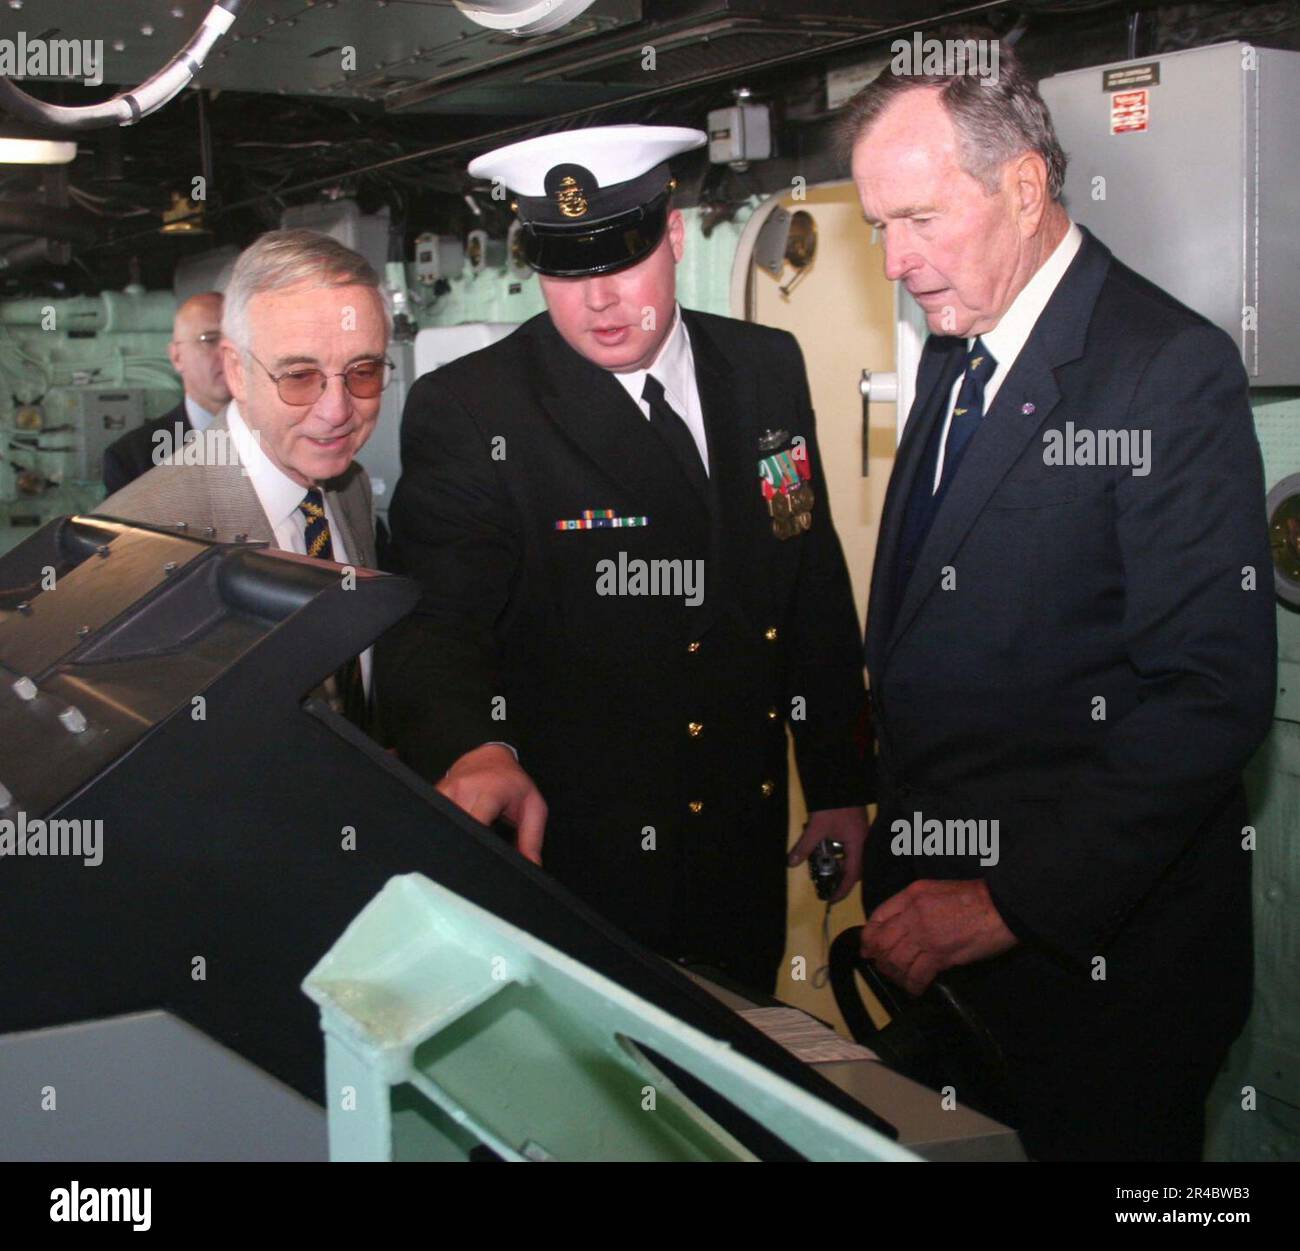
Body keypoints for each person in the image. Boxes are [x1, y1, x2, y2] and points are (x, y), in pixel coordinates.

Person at [843, 43, 1275, 1160]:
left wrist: (1004, 904)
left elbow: (1208, 695)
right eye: (876, 227)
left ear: (1024, 188)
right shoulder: (956, 352)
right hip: (948, 954)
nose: (895, 261)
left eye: (920, 220)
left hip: (1093, 974)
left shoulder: (1161, 370)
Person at [379, 125, 873, 994]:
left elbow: (810, 578)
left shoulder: (764, 366)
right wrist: (473, 744)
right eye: (565, 267)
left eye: (621, 258)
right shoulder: (473, 408)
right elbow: (436, 621)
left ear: (674, 237)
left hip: (738, 843)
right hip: (584, 858)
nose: (599, 299)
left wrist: (837, 778)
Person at [99, 229, 391, 723]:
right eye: (299, 376)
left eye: (363, 371)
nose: (337, 411)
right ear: (235, 370)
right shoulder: (142, 540)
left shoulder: (349, 487)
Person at [102, 291, 232, 494]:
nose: (227, 352)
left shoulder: (281, 437)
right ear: (177, 357)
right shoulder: (133, 460)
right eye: (210, 339)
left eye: (235, 339)